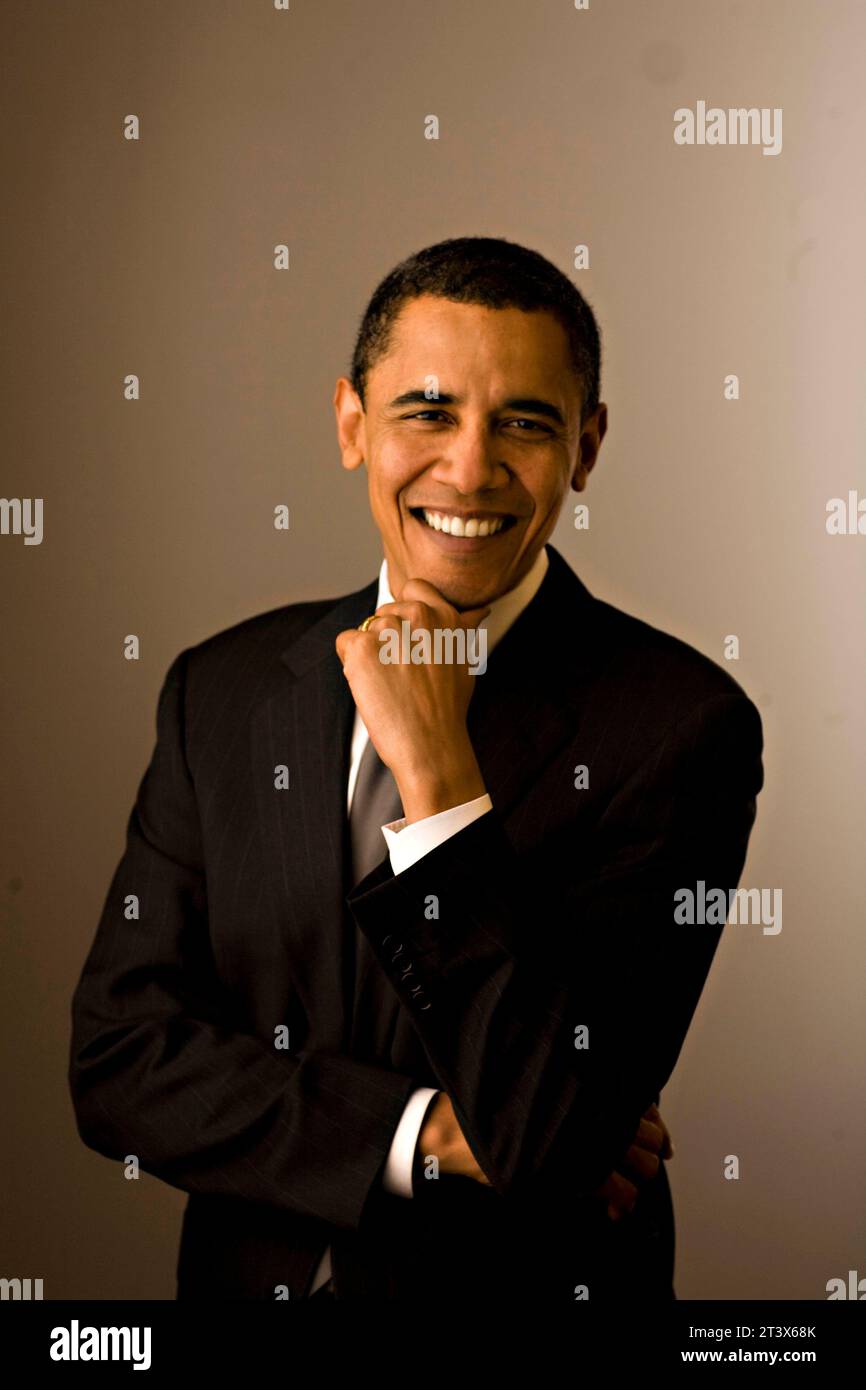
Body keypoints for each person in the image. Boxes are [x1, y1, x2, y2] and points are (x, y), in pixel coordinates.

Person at [69, 236, 763, 1302]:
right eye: (426, 412)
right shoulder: (220, 688)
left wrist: (439, 774)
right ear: (352, 423)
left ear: (585, 446)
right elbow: (117, 1062)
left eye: (524, 423)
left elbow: (551, 1139)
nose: (470, 468)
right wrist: (424, 1130)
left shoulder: (684, 729)